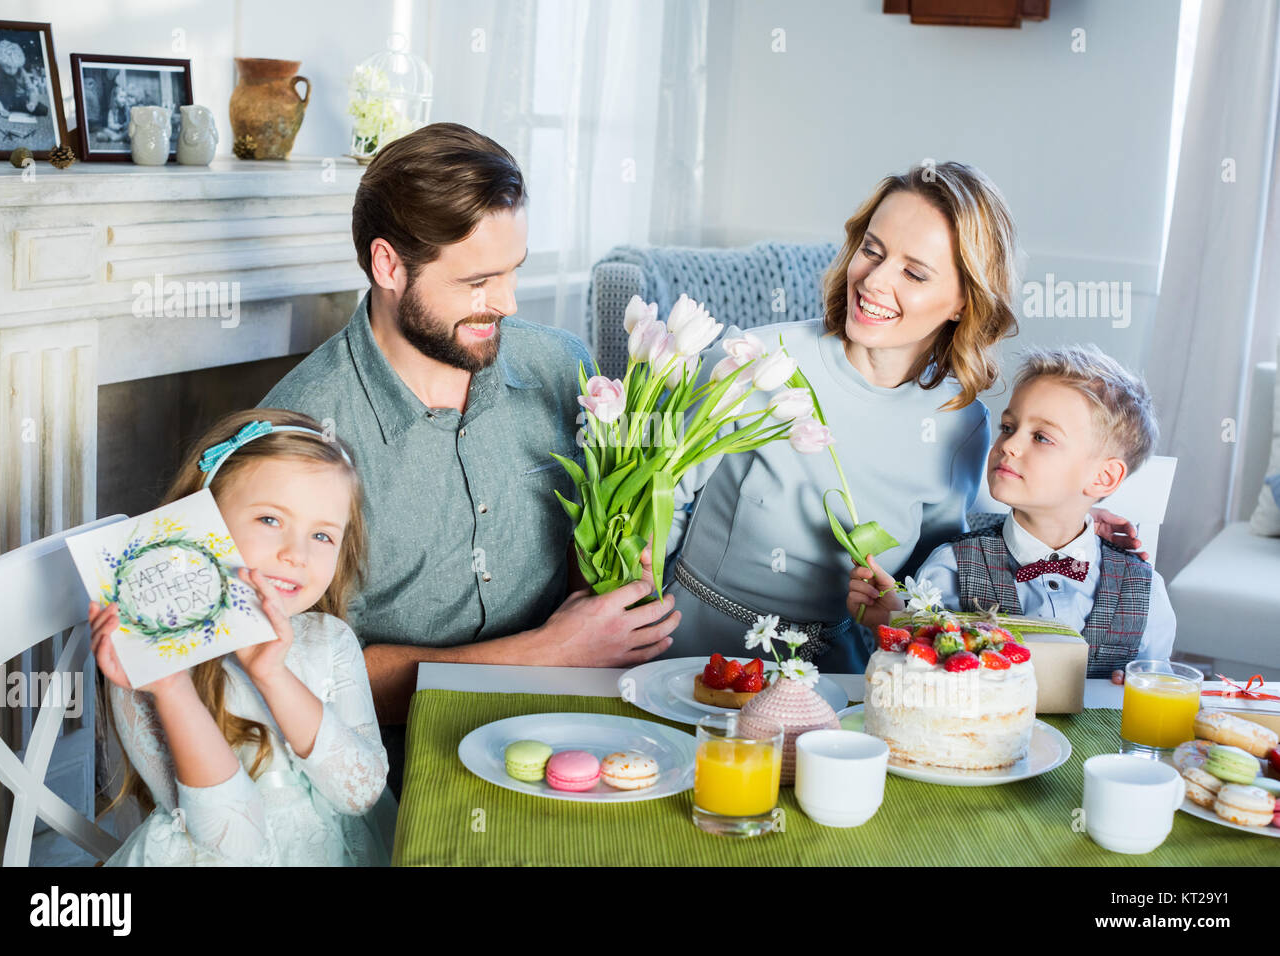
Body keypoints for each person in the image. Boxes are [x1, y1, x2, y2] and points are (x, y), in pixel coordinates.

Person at [260, 123, 679, 791]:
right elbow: (302, 674)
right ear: (388, 265)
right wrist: (546, 656)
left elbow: (591, 549)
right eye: (479, 280)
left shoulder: (561, 365)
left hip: (568, 735)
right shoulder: (302, 432)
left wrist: (619, 573)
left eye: (514, 271)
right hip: (393, 779)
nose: (508, 304)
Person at [663, 161, 1144, 673]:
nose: (873, 281)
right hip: (697, 661)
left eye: (914, 272)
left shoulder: (963, 424)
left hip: (851, 680)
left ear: (964, 300)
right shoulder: (754, 360)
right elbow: (654, 502)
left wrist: (1073, 520)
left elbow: (944, 562)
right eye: (872, 250)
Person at [92, 408, 397, 865]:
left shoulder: (329, 642)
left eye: (322, 535)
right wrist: (174, 689)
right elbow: (231, 841)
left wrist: (274, 677)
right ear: (202, 519)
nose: (296, 554)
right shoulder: (152, 665)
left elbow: (361, 794)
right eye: (271, 520)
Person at [848, 345, 1175, 674]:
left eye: (1042, 437)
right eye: (1008, 427)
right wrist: (898, 623)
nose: (1009, 445)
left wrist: (1134, 686)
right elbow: (921, 676)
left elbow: (1158, 687)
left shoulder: (1146, 592)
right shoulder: (950, 569)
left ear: (1103, 478)